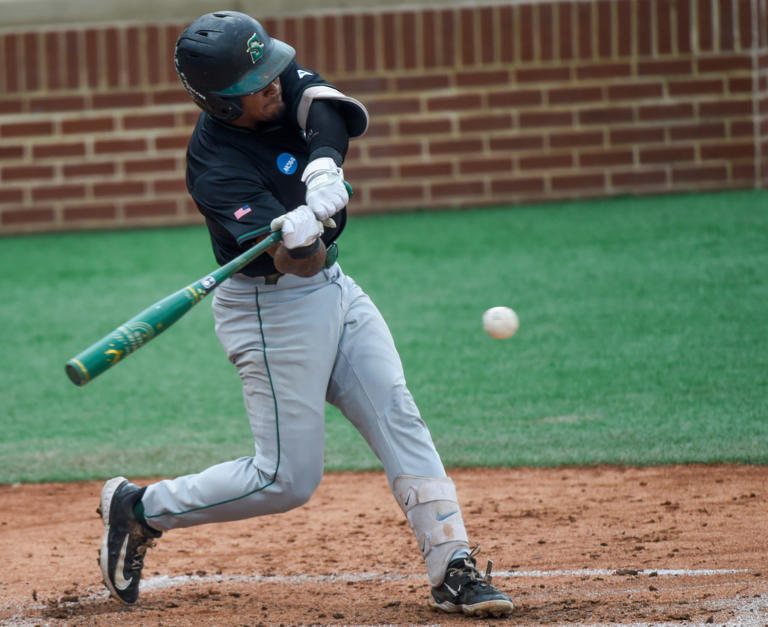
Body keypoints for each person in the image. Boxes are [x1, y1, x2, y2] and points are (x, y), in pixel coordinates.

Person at [97, 10, 514, 618]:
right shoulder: (216, 168)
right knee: (286, 480)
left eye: (271, 71)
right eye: (256, 86)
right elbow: (300, 265)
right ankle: (137, 510)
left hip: (340, 294)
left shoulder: (270, 74)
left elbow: (328, 112)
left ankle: (453, 566)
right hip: (271, 312)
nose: (274, 85)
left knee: (399, 414)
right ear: (220, 104)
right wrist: (297, 238)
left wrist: (323, 167)